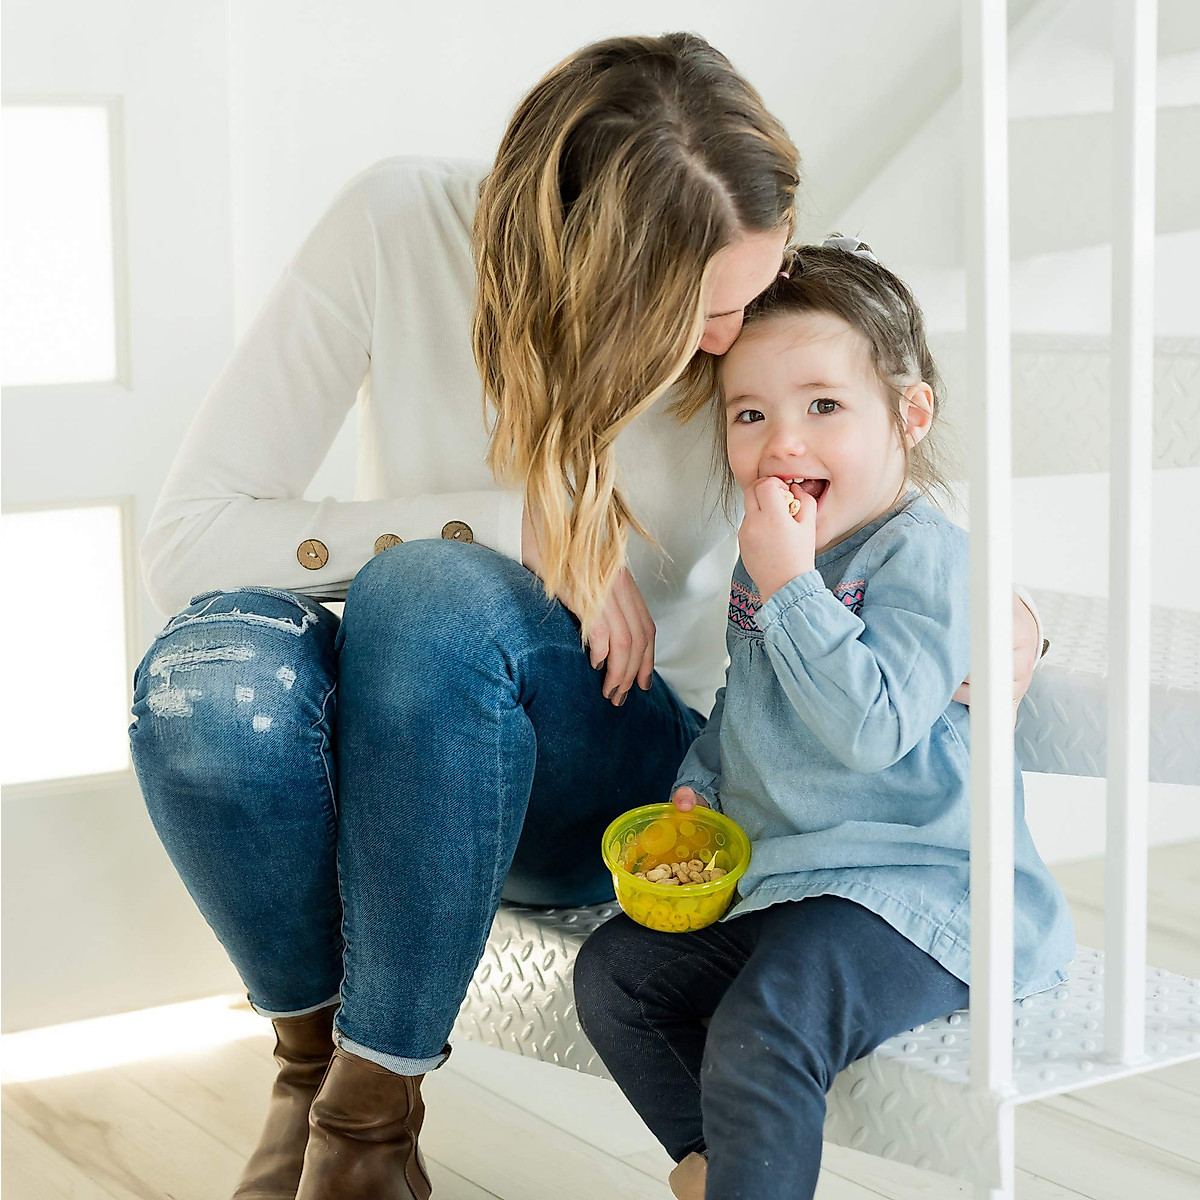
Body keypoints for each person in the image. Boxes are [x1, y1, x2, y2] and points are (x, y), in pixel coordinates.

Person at [127, 33, 1043, 1200]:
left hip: (620, 768)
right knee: (208, 685)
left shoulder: (747, 299)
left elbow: (871, 474)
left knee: (425, 594)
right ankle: (316, 1078)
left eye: (756, 293)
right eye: (711, 313)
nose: (739, 335)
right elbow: (187, 544)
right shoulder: (395, 226)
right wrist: (518, 522)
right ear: (611, 278)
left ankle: (362, 1129)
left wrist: (997, 606)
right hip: (405, 746)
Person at [572, 238, 1074, 1200]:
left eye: (824, 408)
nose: (783, 441)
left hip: (919, 890)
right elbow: (748, 702)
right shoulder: (772, 557)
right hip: (791, 879)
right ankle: (715, 1168)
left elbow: (874, 728)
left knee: (765, 1023)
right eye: (750, 413)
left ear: (910, 415)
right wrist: (702, 780)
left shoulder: (929, 560)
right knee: (618, 976)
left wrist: (790, 584)